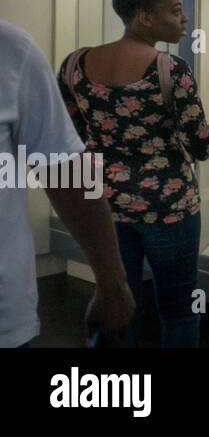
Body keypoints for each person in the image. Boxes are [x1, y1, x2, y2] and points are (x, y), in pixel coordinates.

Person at [57, 0, 209, 347]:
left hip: (104, 206)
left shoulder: (75, 64)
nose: (185, 16)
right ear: (145, 17)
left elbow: (72, 136)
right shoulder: (172, 70)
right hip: (171, 208)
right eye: (175, 10)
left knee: (116, 302)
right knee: (179, 310)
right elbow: (202, 146)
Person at [2, 19, 137, 348]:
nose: (184, 19)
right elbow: (65, 167)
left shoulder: (12, 50)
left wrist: (112, 283)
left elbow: (65, 168)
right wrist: (112, 283)